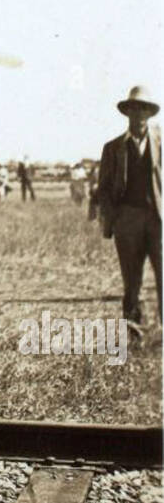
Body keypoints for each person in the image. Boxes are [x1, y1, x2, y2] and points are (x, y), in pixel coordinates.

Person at [96, 85, 161, 332]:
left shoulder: (160, 143)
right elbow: (102, 189)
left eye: (143, 108)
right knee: (131, 280)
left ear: (150, 112)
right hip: (128, 220)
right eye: (134, 108)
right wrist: (114, 219)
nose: (139, 113)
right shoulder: (113, 148)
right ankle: (133, 331)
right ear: (127, 112)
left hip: (158, 219)